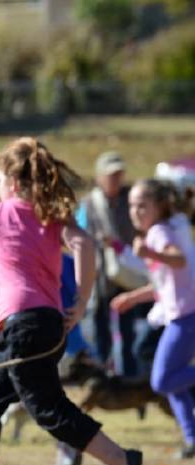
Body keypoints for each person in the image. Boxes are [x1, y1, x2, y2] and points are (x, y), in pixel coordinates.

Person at [0, 137, 143, 465]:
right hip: (45, 323)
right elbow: (84, 246)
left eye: (0, 179)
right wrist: (80, 303)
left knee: (47, 408)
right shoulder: (50, 216)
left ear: (12, 183)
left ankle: (121, 460)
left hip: (22, 326)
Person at [111, 179, 195, 460]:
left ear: (160, 206)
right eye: (132, 205)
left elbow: (178, 260)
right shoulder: (164, 229)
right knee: (175, 382)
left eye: (142, 205)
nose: (135, 211)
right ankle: (191, 437)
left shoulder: (159, 232)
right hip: (181, 314)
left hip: (187, 317)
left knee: (162, 381)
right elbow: (165, 283)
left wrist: (149, 252)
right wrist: (133, 297)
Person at [80, 151, 153, 377]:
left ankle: (130, 377)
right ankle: (104, 373)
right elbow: (80, 234)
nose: (115, 179)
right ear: (100, 176)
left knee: (128, 327)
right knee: (101, 326)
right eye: (111, 175)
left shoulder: (131, 199)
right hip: (101, 275)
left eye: (118, 174)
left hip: (129, 272)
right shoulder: (90, 203)